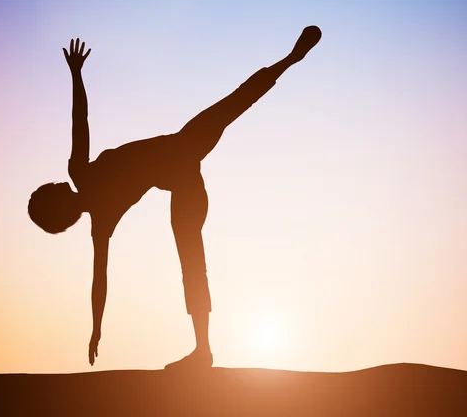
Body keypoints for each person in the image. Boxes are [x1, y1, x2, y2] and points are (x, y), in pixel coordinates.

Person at [28, 26, 322, 369]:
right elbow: (100, 280)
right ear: (60, 208)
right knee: (192, 260)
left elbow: (81, 120)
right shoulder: (88, 193)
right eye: (50, 191)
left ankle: (291, 58)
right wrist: (76, 75)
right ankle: (203, 351)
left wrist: (77, 76)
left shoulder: (92, 202)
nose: (54, 184)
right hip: (184, 169)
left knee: (236, 102)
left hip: (184, 153)